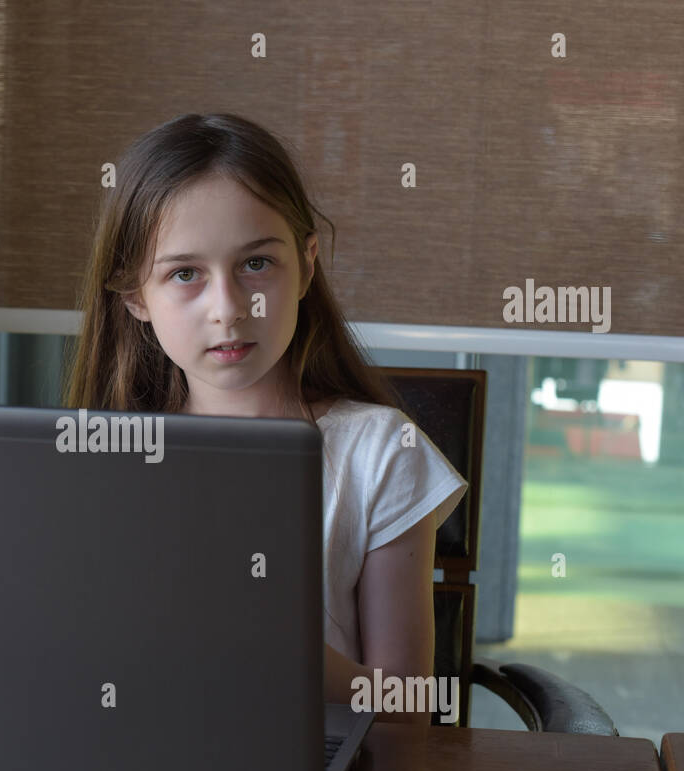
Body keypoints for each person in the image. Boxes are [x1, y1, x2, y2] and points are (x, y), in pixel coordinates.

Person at [62, 113, 469, 725]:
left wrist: (271, 643)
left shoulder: (380, 454)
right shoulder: (104, 455)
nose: (227, 308)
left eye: (256, 264)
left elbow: (406, 712)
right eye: (184, 274)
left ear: (306, 266)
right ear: (135, 297)